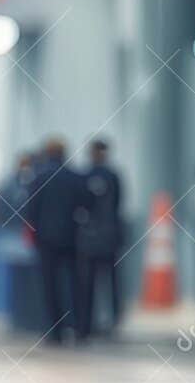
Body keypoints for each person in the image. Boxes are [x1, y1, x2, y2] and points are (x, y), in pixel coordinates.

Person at [24, 137, 88, 341]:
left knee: (49, 284)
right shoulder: (75, 177)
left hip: (45, 239)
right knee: (75, 282)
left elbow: (31, 210)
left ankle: (54, 330)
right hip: (71, 237)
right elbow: (86, 205)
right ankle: (78, 326)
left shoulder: (39, 178)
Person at [78, 138, 123, 337]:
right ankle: (93, 320)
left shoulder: (106, 176)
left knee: (106, 281)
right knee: (92, 281)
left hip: (102, 237)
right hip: (98, 236)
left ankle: (109, 319)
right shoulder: (89, 176)